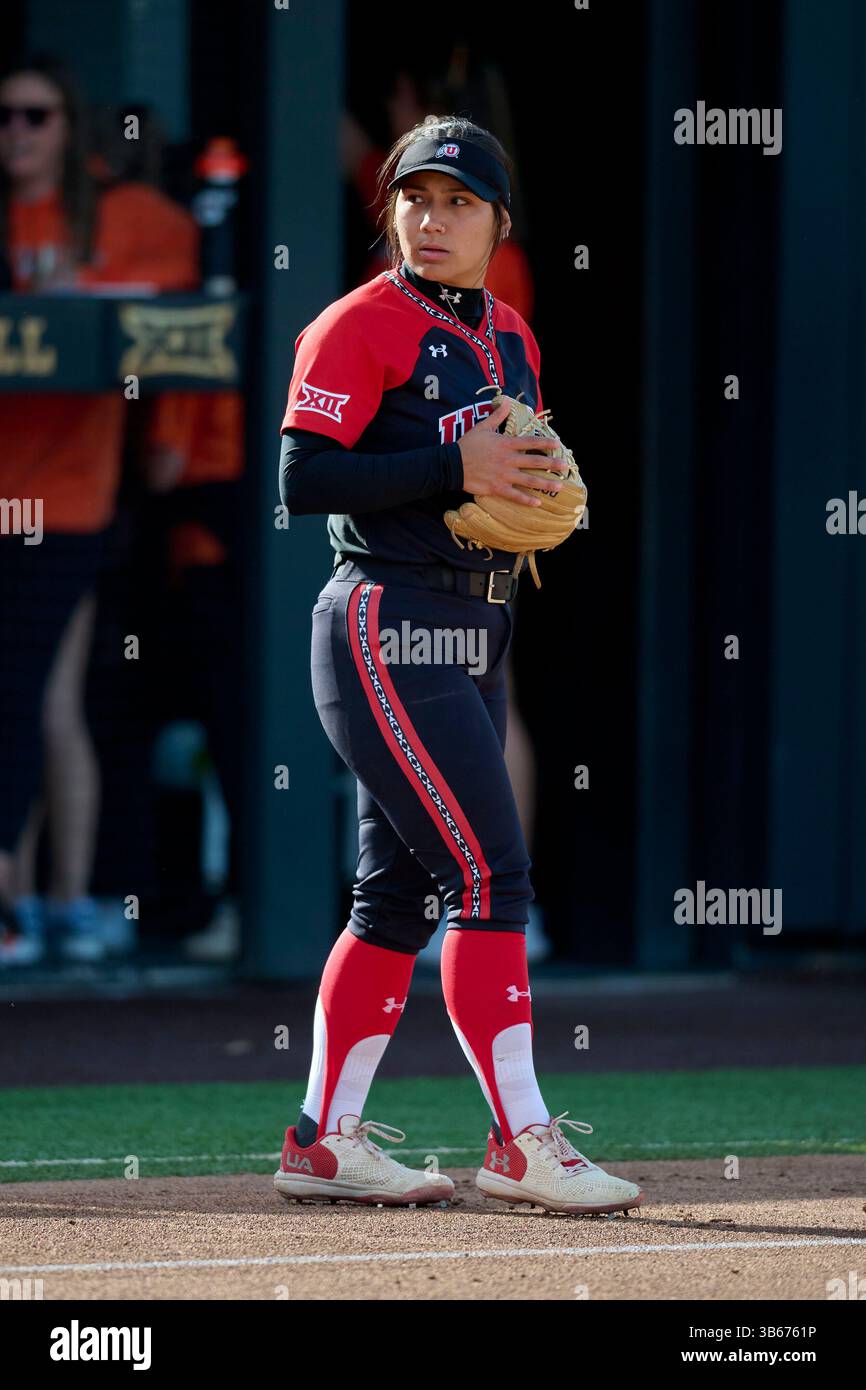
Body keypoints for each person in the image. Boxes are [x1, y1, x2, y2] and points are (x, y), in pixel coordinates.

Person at [273, 115, 643, 1215]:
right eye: (413, 199)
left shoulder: (512, 334)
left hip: (477, 621)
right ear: (388, 212)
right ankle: (520, 1138)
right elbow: (302, 478)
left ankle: (323, 1140)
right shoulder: (356, 323)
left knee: (392, 897)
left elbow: (507, 468)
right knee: (490, 876)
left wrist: (520, 482)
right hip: (386, 621)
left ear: (498, 224)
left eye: (457, 202)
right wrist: (453, 463)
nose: (431, 220)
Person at [0, 55, 198, 965]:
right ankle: (52, 903)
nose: (18, 132)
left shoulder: (124, 216)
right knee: (41, 701)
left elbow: (194, 321)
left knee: (35, 697)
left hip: (72, 496)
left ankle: (53, 901)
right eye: (5, 116)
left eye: (36, 116)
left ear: (68, 127)